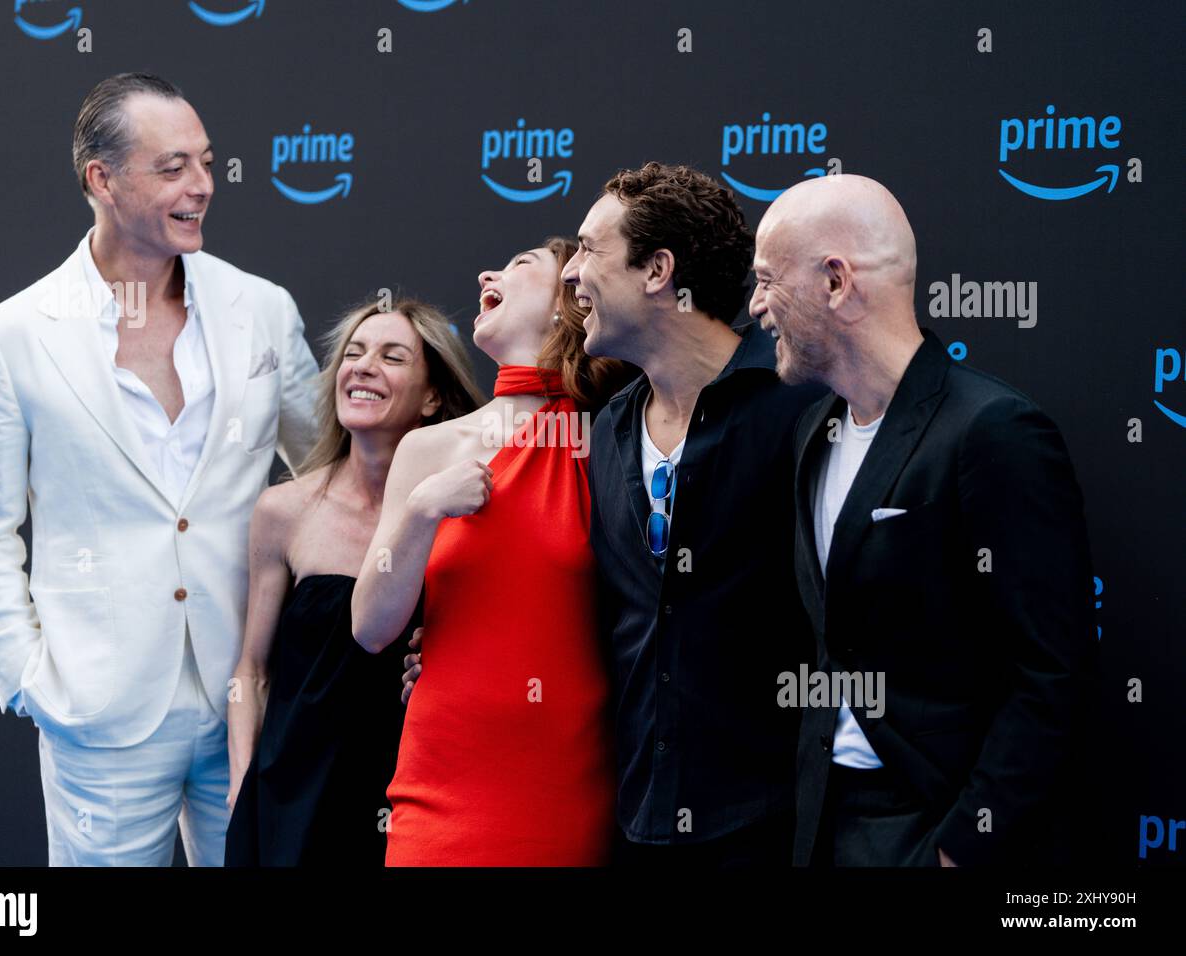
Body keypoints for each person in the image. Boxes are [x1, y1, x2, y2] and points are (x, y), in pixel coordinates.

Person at [0, 72, 322, 866]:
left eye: (209, 163)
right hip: (100, 715)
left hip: (248, 696)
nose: (202, 187)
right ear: (102, 179)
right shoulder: (14, 335)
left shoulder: (261, 308)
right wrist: (31, 681)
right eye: (174, 166)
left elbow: (329, 469)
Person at [748, 173, 1097, 866]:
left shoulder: (992, 432)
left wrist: (961, 848)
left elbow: (1049, 675)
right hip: (822, 825)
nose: (756, 308)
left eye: (766, 280)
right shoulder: (811, 434)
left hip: (931, 827)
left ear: (836, 282)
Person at [561, 162, 828, 866]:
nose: (570, 274)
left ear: (658, 270)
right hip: (639, 823)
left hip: (779, 828)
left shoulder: (803, 402)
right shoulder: (607, 433)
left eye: (589, 250)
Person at [353, 238, 633, 866]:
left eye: (521, 265)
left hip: (565, 787)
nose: (487, 272)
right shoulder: (427, 451)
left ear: (568, 305)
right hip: (441, 781)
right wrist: (424, 508)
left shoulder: (612, 440)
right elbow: (370, 628)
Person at [224, 298, 483, 867]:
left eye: (392, 357)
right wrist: (246, 786)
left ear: (433, 396)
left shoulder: (464, 512)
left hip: (420, 796)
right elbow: (252, 669)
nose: (362, 367)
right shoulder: (283, 510)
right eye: (353, 354)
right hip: (293, 803)